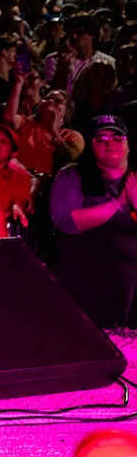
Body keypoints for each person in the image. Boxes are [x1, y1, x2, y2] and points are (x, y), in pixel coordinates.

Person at [49, 114, 137, 326]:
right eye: (101, 139)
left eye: (117, 138)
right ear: (89, 146)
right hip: (86, 271)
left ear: (128, 145)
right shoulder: (72, 176)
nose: (110, 144)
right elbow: (65, 221)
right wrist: (118, 203)